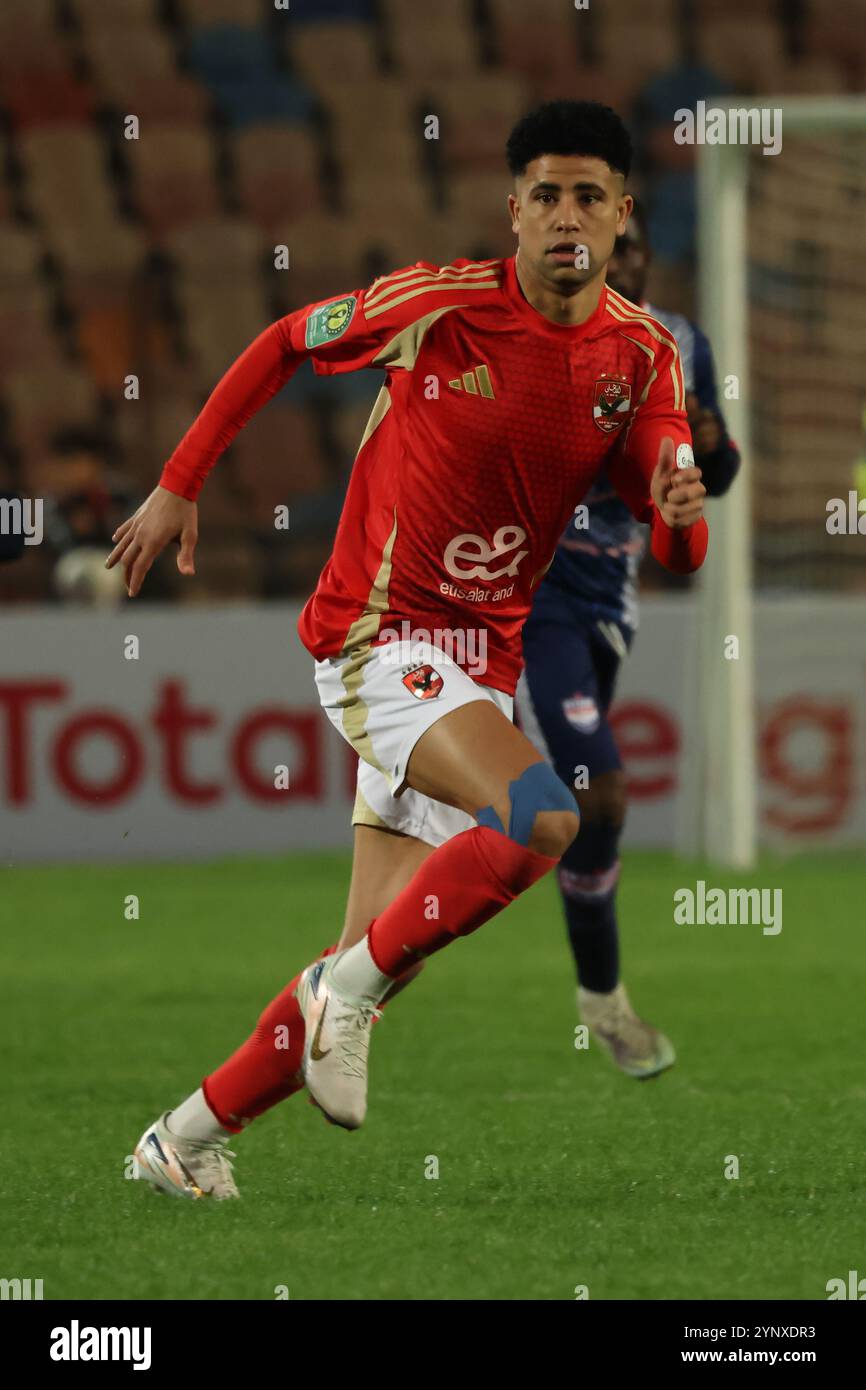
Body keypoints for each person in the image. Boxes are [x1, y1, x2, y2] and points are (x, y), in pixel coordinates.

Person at [107, 100, 708, 1200]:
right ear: (512, 211)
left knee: (384, 954)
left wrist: (677, 500)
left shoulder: (641, 355)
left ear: (621, 215)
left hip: (477, 667)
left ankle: (181, 1139)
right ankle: (342, 993)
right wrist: (178, 482)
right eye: (543, 194)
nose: (564, 215)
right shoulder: (438, 305)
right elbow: (286, 339)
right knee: (542, 818)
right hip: (374, 636)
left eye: (588, 195)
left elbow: (674, 533)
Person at [515, 199, 740, 1078]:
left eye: (639, 249)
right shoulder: (539, 328)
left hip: (612, 595)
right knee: (597, 796)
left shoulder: (680, 341)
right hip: (530, 590)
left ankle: (596, 992)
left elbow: (712, 471)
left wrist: (710, 452)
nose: (629, 262)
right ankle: (604, 1003)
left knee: (576, 816)